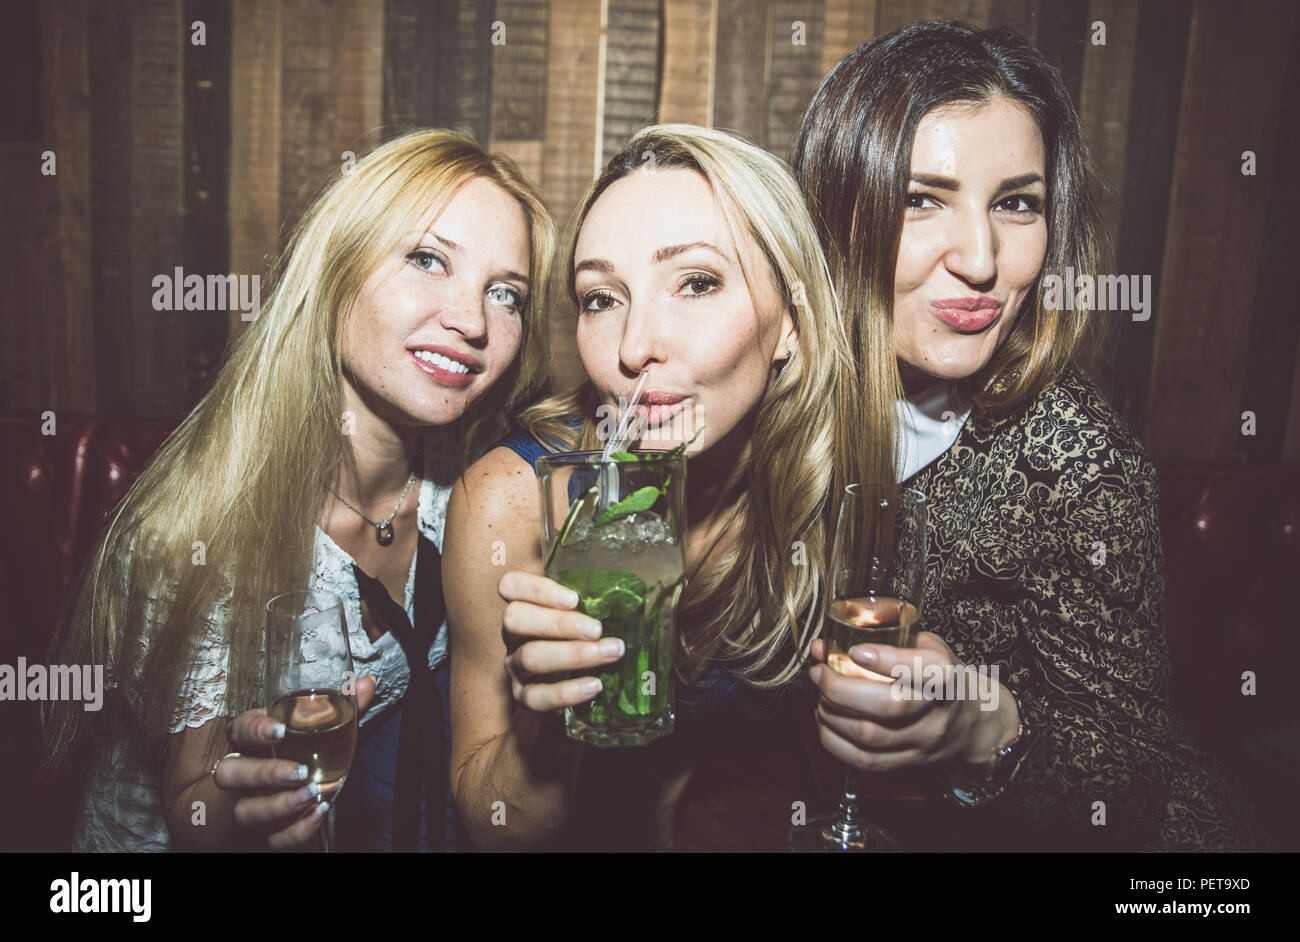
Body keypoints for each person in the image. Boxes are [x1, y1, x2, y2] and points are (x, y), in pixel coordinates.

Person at [791, 20, 1253, 851]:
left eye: (1017, 203)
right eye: (921, 198)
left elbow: (1134, 775)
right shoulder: (782, 403)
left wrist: (982, 729)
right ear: (836, 211)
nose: (982, 256)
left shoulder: (1076, 460)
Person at [42, 129, 556, 852]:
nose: (473, 321)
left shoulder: (468, 492)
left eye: (506, 294)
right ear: (335, 269)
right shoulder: (201, 532)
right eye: (426, 259)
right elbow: (195, 807)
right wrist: (254, 799)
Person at [443, 124, 891, 850]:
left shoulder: (811, 495)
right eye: (600, 297)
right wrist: (552, 716)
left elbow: (679, 771)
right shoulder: (513, 501)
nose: (633, 346)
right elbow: (492, 830)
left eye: (697, 283)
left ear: (792, 327)